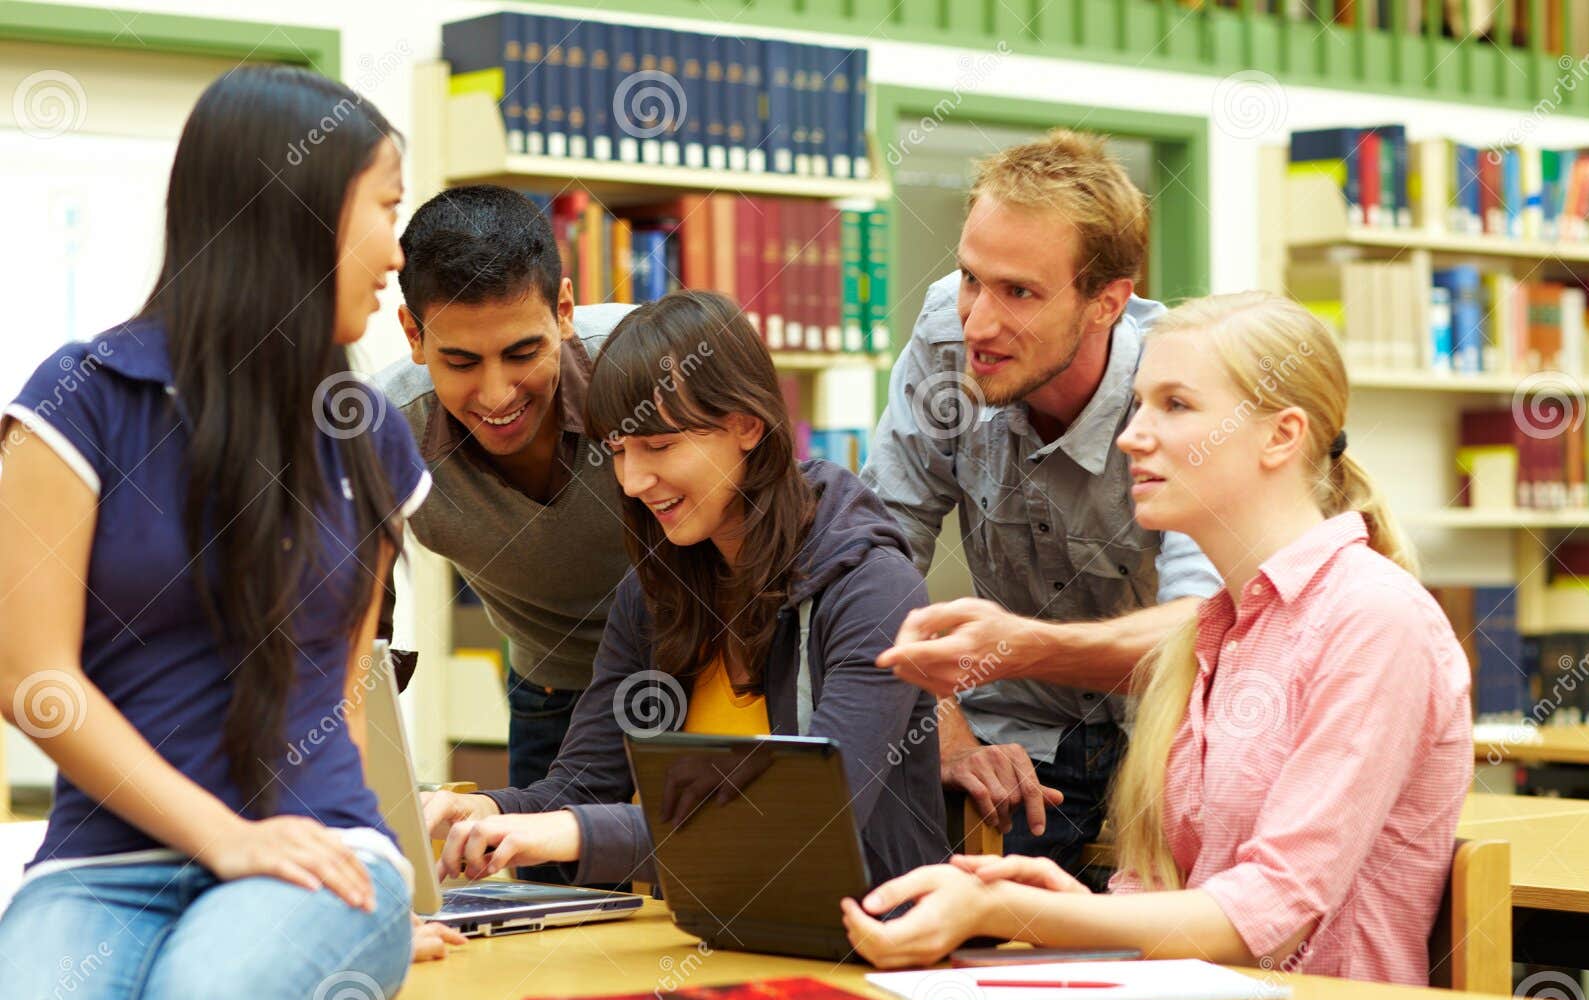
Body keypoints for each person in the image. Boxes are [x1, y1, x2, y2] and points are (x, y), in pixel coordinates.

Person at [0, 66, 458, 1000]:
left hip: (319, 847)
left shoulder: (367, 433)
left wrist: (357, 924)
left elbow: (338, 698)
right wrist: (222, 835)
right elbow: (31, 677)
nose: (397, 247)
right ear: (295, 207)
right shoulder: (82, 400)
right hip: (100, 863)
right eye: (385, 206)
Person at [843, 293, 1473, 987]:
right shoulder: (1214, 630)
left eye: (1175, 405)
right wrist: (1071, 907)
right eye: (1139, 403)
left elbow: (1272, 910)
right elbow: (1175, 892)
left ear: (1280, 436)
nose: (1131, 435)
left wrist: (1015, 910)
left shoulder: (1374, 618)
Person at [420, 292, 948, 888]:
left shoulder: (871, 588)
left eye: (660, 446)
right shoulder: (652, 589)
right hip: (706, 942)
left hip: (863, 948)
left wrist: (572, 831)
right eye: (618, 451)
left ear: (746, 426)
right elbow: (585, 783)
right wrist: (491, 811)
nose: (633, 480)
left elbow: (808, 821)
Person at [861, 130, 1221, 872]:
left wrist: (1020, 647)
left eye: (1019, 292)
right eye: (970, 278)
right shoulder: (949, 336)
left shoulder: (1186, 386)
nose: (978, 322)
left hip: (1177, 735)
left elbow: (1202, 639)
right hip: (1013, 738)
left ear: (1107, 303)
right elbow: (874, 558)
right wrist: (942, 721)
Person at [376, 186, 635, 882]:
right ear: (412, 333)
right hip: (552, 692)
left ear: (566, 309)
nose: (496, 395)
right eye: (460, 361)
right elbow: (350, 640)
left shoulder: (650, 365)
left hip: (700, 679)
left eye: (523, 352)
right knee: (556, 914)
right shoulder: (378, 431)